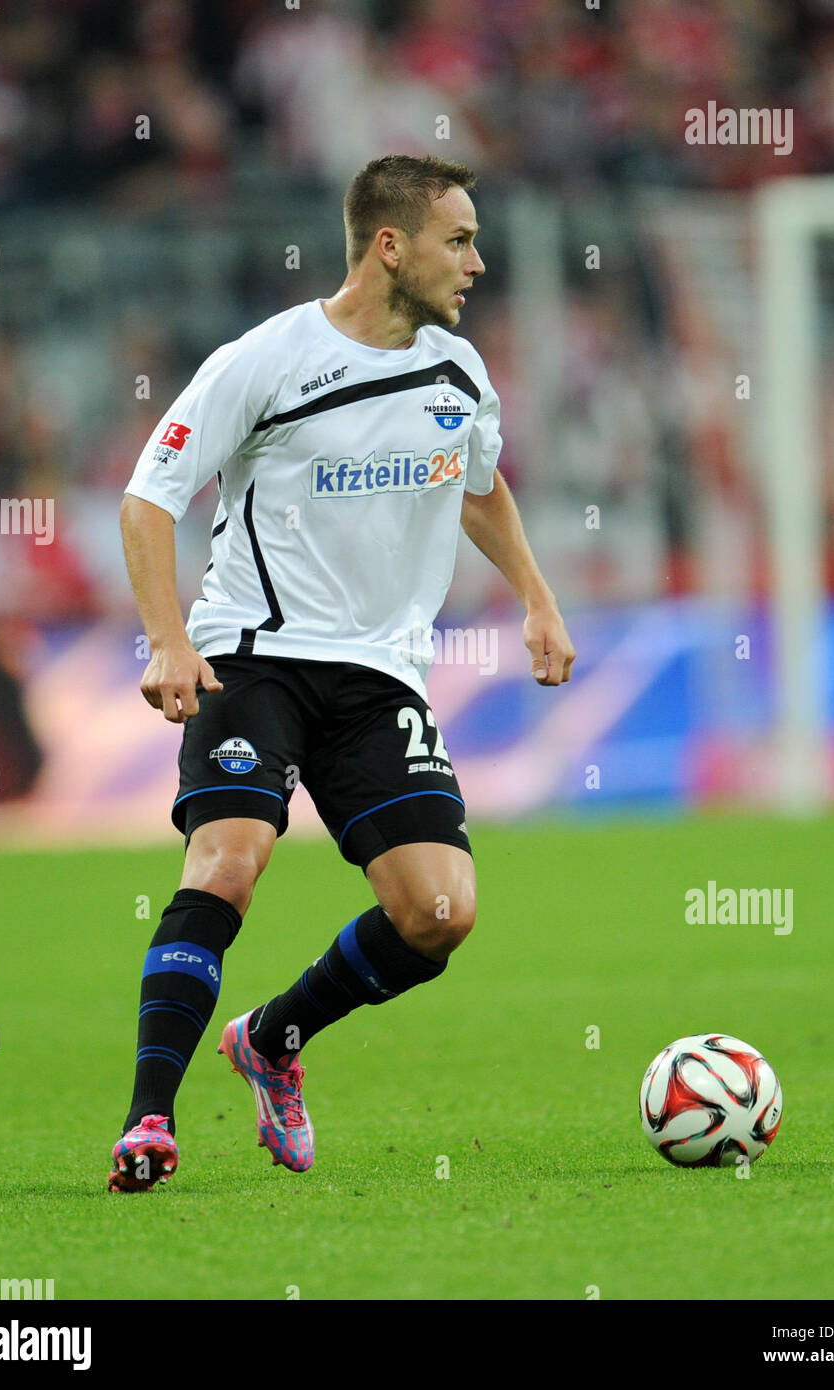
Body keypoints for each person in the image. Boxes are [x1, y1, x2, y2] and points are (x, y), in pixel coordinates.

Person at [108, 153, 575, 1192]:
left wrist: (538, 598)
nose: (479, 261)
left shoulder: (459, 371)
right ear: (390, 245)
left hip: (381, 677)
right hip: (255, 655)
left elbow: (479, 485)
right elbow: (150, 496)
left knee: (439, 913)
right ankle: (148, 1118)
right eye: (460, 239)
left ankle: (273, 1036)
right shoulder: (264, 361)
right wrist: (168, 636)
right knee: (230, 858)